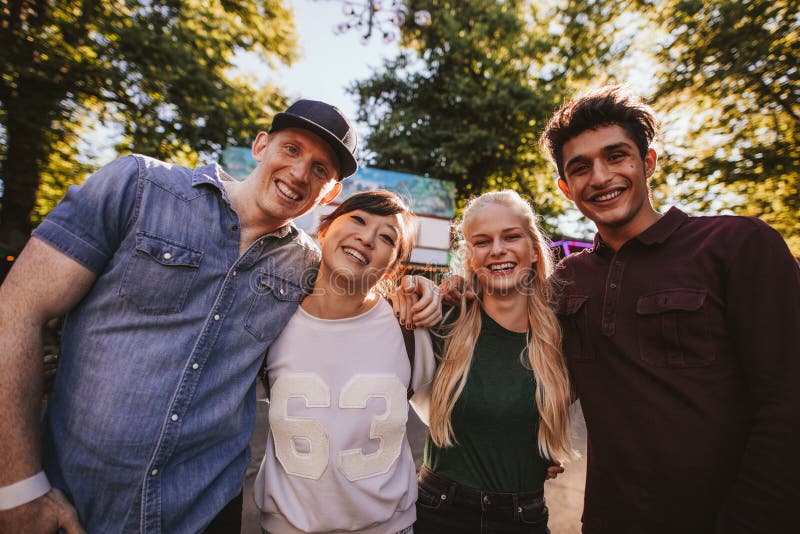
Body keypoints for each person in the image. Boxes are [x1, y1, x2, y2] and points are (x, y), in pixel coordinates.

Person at [0, 100, 440, 533]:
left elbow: (357, 287)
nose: (300, 172)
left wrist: (428, 290)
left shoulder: (307, 265)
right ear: (261, 144)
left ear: (328, 194)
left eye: (321, 169)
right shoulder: (139, 187)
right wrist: (17, 487)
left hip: (204, 512)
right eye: (291, 149)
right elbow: (17, 309)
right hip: (74, 501)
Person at [540, 84, 800, 533]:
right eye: (580, 167)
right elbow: (516, 347)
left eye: (616, 156)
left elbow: (788, 403)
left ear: (649, 162)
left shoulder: (738, 245)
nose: (600, 177)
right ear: (566, 188)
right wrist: (447, 293)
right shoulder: (566, 280)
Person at [253, 190, 437, 534]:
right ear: (324, 229)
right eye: (358, 219)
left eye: (387, 237)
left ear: (393, 267)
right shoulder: (269, 323)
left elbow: (452, 413)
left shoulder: (410, 331)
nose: (367, 238)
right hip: (284, 527)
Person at [414, 190, 575, 534]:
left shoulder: (563, 338)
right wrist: (410, 286)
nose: (498, 249)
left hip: (523, 516)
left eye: (511, 236)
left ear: (533, 249)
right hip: (438, 511)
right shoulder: (444, 320)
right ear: (470, 257)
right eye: (482, 241)